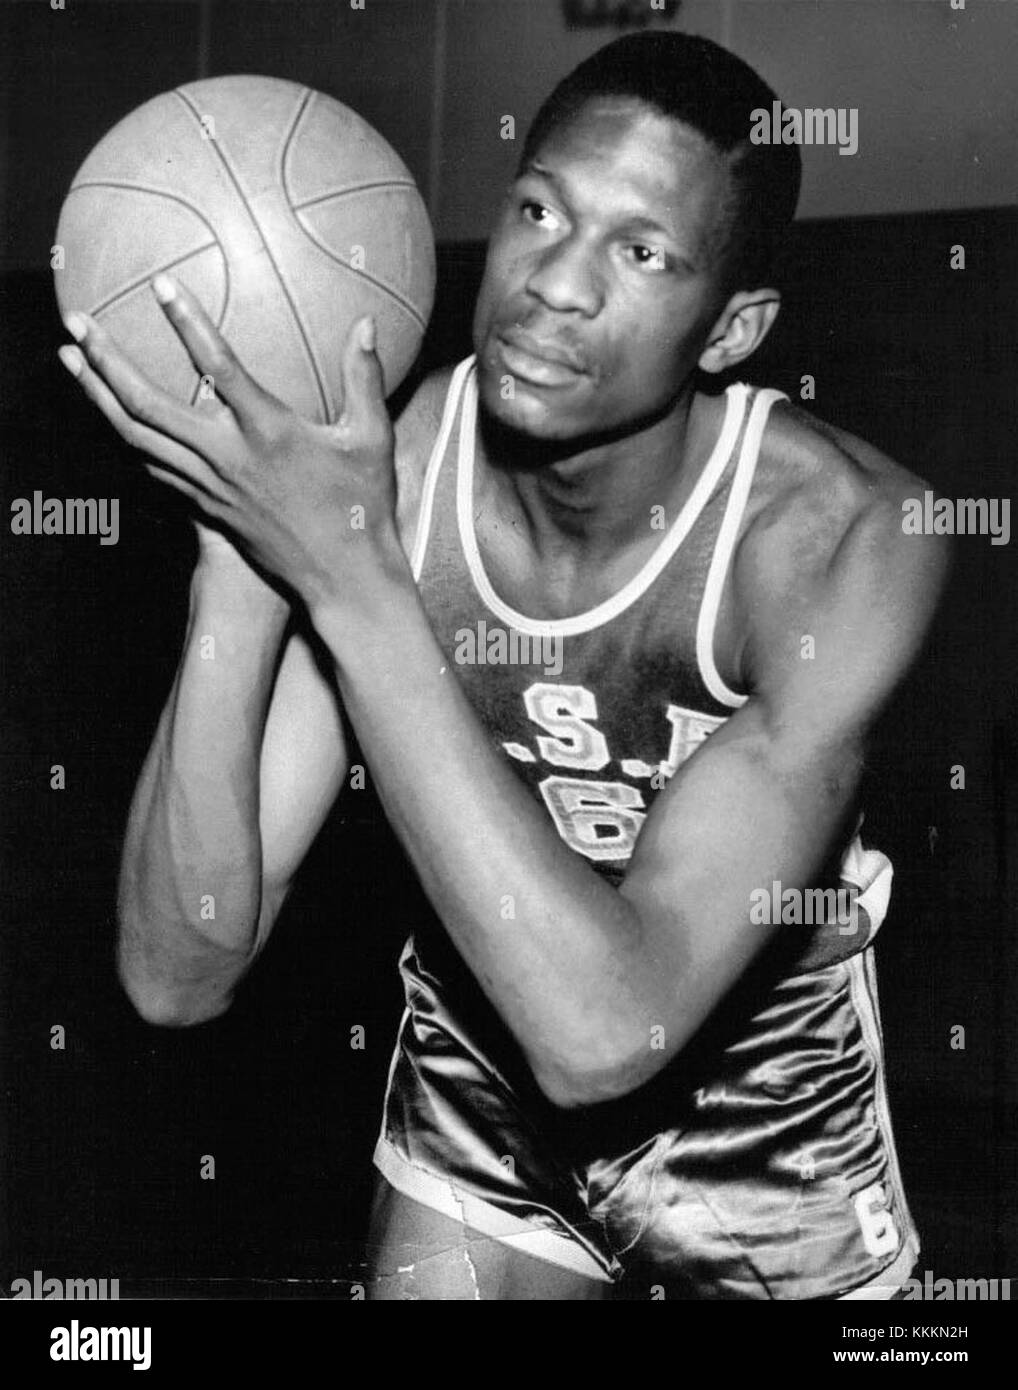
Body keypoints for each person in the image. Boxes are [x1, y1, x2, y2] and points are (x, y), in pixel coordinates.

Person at [58, 32, 949, 1300]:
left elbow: (605, 1034)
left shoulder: (838, 540)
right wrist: (239, 562)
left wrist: (348, 578)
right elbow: (177, 972)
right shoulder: (395, 477)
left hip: (763, 1142)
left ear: (731, 326)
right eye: (539, 210)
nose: (557, 284)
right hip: (481, 1119)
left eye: (640, 252)